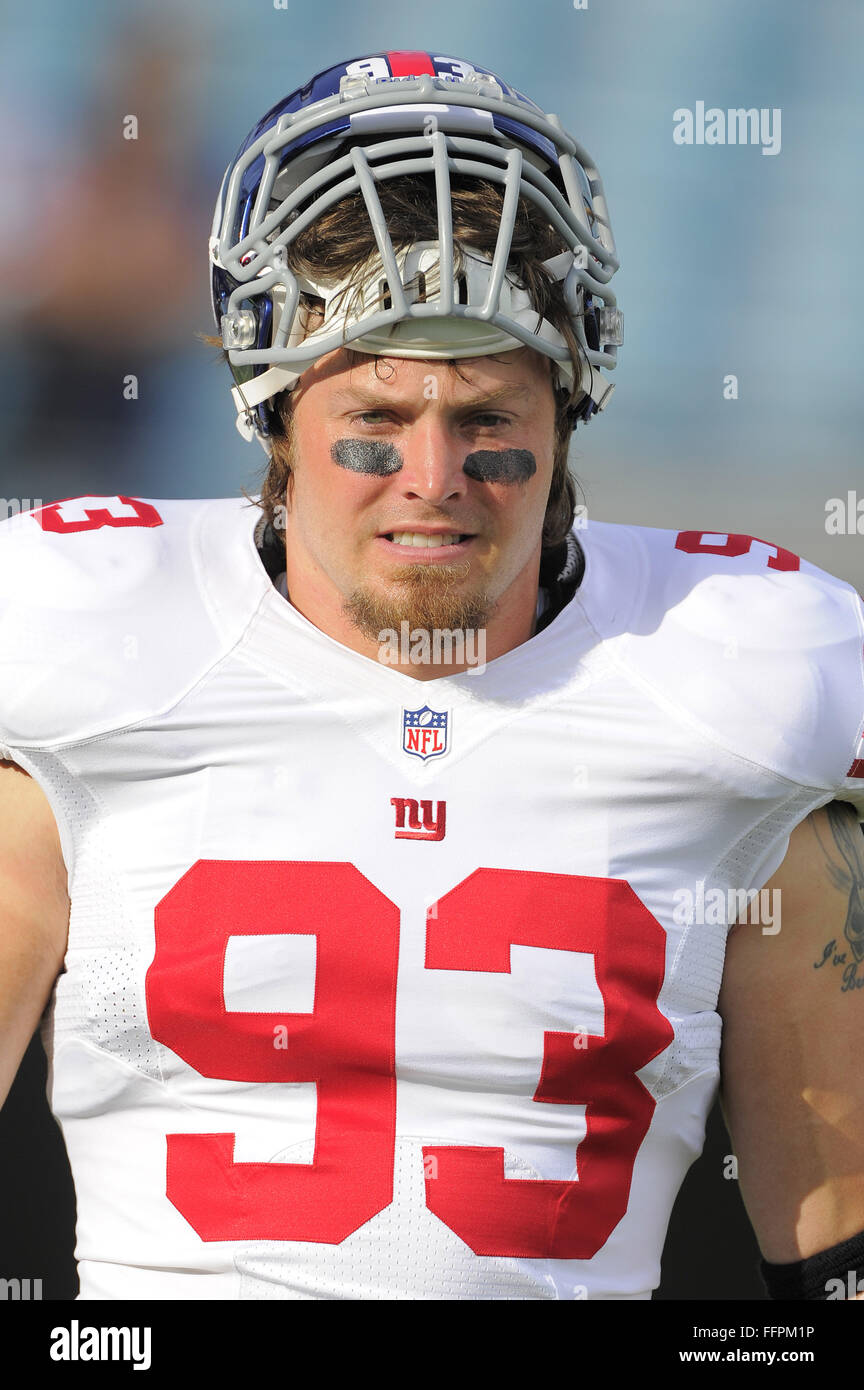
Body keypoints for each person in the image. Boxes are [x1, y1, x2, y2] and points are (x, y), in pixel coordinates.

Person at [1, 48, 862, 1302]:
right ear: (270, 407)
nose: (433, 476)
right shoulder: (77, 648)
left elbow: (834, 1261)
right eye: (377, 417)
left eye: (488, 420)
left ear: (569, 410)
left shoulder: (751, 675)